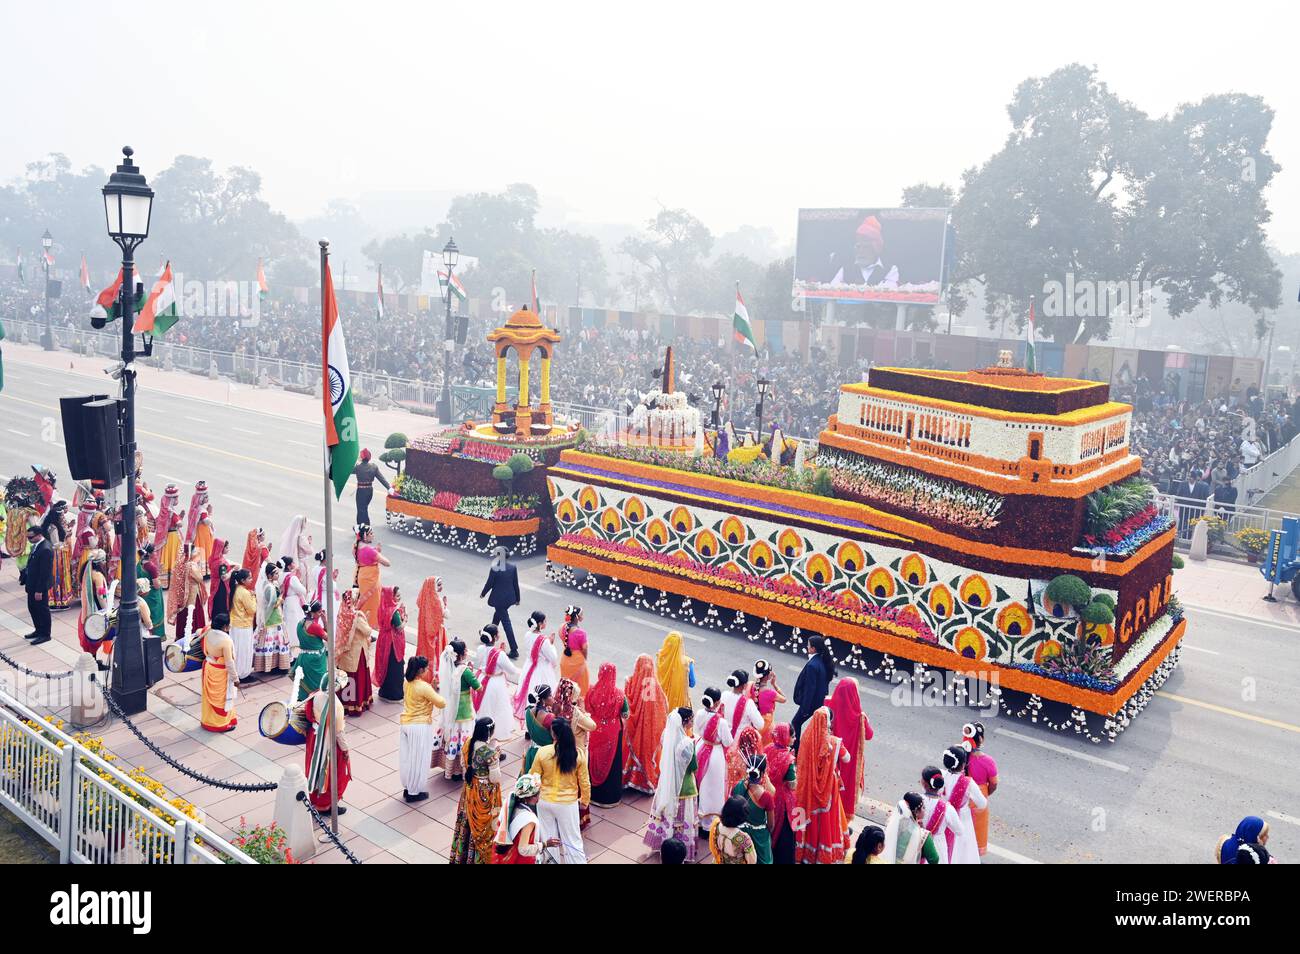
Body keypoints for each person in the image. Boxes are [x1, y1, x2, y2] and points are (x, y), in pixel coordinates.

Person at [794, 707, 850, 864]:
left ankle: (806, 852)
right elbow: (847, 758)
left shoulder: (806, 739)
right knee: (826, 821)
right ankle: (822, 852)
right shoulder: (834, 742)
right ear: (829, 722)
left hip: (808, 787)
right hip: (828, 789)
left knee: (811, 819)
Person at [531, 716, 590, 863]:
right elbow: (585, 782)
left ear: (553, 734)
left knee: (548, 840)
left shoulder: (543, 752)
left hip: (544, 801)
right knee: (572, 842)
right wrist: (585, 801)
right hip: (567, 804)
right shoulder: (577, 755)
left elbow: (533, 777)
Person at [644, 708, 699, 861]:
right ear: (686, 721)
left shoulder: (666, 735)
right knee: (682, 817)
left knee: (666, 817)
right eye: (691, 719)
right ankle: (680, 849)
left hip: (666, 783)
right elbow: (693, 767)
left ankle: (663, 843)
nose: (693, 722)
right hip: (684, 787)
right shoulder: (687, 744)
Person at [450, 717, 503, 864]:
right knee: (484, 829)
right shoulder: (490, 754)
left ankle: (462, 857)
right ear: (489, 732)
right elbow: (495, 778)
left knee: (466, 821)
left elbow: (463, 764)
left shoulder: (468, 743)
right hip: (484, 795)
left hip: (469, 789)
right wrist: (496, 755)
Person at [432, 640, 482, 781]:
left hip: (449, 711)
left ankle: (449, 769)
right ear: (460, 655)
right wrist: (472, 674)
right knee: (463, 741)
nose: (467, 652)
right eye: (465, 650)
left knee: (452, 738)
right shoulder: (465, 671)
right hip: (464, 711)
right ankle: (460, 770)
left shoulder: (448, 668)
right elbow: (478, 687)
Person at [552, 678, 597, 828]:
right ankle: (578, 818)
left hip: (557, 750)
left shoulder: (555, 707)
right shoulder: (575, 713)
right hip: (575, 751)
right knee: (579, 782)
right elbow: (592, 726)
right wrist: (585, 711)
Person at [304, 673, 351, 816]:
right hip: (329, 742)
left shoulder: (315, 695)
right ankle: (326, 804)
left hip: (315, 737)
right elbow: (338, 732)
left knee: (314, 768)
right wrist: (345, 749)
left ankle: (315, 799)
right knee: (331, 774)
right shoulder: (335, 705)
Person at [399, 655, 444, 802]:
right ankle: (414, 792)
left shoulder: (407, 682)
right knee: (419, 760)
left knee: (407, 759)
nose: (427, 670)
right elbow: (441, 703)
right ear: (420, 670)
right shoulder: (424, 687)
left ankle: (408, 788)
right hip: (419, 726)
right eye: (425, 668)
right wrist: (435, 689)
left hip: (406, 723)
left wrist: (431, 688)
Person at [622, 653, 668, 795]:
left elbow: (626, 703)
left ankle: (630, 779)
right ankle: (645, 782)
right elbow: (664, 708)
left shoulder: (631, 682)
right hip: (649, 732)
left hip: (632, 728)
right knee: (647, 752)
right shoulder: (656, 688)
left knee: (630, 751)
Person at [826, 677, 872, 815]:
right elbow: (869, 735)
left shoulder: (827, 704)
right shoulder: (860, 717)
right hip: (850, 762)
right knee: (847, 787)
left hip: (830, 756)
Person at [586, 663, 628, 808]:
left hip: (595, 729)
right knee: (611, 763)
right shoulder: (619, 694)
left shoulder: (591, 690)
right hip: (612, 732)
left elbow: (587, 708)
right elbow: (625, 714)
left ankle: (593, 794)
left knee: (594, 759)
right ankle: (609, 798)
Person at [694, 688, 735, 832]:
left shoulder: (699, 713)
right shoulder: (721, 722)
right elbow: (728, 742)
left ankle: (696, 818)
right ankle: (709, 824)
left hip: (700, 747)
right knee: (712, 789)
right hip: (714, 756)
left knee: (699, 785)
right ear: (717, 702)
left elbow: (698, 730)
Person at [472, 624, 521, 739]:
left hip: (482, 679)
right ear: (494, 637)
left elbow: (481, 661)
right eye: (498, 633)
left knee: (483, 706)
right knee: (497, 708)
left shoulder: (480, 649)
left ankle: (479, 730)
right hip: (495, 683)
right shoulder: (500, 654)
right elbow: (512, 670)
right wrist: (501, 654)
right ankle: (494, 734)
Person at [730, 740, 774, 864]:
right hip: (759, 838)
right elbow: (771, 825)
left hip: (739, 834)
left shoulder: (737, 787)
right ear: (763, 773)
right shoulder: (766, 796)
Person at [940, 745, 986, 864]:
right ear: (963, 764)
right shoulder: (967, 783)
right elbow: (982, 804)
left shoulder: (939, 775)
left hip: (941, 816)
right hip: (962, 819)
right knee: (961, 852)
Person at [494, 773, 552, 864]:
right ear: (526, 797)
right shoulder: (528, 820)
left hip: (508, 855)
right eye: (535, 795)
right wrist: (545, 844)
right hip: (519, 860)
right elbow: (523, 849)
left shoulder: (509, 804)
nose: (538, 797)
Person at [961, 721, 998, 857]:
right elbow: (994, 784)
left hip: (961, 795)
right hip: (980, 797)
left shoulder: (960, 753)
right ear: (981, 739)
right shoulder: (988, 761)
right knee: (977, 830)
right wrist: (985, 792)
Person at [763, 723, 799, 864]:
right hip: (782, 799)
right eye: (793, 736)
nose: (795, 739)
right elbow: (792, 784)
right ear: (785, 737)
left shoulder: (767, 748)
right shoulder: (788, 759)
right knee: (784, 831)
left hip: (766, 791)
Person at [336, 589, 375, 716]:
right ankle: (357, 705)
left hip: (345, 654)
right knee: (357, 679)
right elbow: (368, 631)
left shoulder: (342, 613)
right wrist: (366, 619)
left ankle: (346, 704)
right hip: (357, 654)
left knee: (347, 679)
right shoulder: (356, 616)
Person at [514, 613, 558, 722]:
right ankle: (541, 722)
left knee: (531, 696)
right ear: (540, 623)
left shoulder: (527, 634)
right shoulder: (544, 640)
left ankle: (530, 725)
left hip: (528, 668)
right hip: (542, 669)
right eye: (545, 621)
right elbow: (553, 657)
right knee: (544, 696)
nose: (546, 623)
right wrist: (551, 644)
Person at [791, 636, 836, 744]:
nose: (807, 647)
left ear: (813, 649)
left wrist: (805, 709)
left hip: (811, 703)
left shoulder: (812, 665)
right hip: (819, 701)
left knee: (795, 723)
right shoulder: (822, 660)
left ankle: (795, 748)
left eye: (808, 645)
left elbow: (810, 689)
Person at [199, 613, 238, 732]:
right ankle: (220, 724)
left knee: (209, 697)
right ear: (225, 627)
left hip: (209, 667)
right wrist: (236, 678)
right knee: (221, 699)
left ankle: (208, 721)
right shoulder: (225, 641)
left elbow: (198, 632)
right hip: (220, 672)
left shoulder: (207, 631)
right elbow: (229, 663)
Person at [479, 546, 521, 656]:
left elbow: (489, 583)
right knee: (497, 617)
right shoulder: (513, 567)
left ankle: (514, 649)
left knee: (506, 623)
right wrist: (518, 598)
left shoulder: (495, 568)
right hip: (509, 598)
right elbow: (515, 584)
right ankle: (488, 633)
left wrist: (483, 593)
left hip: (499, 600)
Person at [882, 793, 943, 865]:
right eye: (923, 807)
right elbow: (934, 859)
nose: (925, 810)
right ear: (916, 812)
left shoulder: (893, 824)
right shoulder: (923, 835)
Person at [919, 766, 962, 863]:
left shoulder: (915, 801)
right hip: (937, 846)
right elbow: (959, 831)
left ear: (924, 784)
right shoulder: (947, 809)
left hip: (916, 843)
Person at [20, 520, 54, 646]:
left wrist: (39, 590)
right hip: (32, 584)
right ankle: (38, 630)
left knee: (42, 609)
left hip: (39, 587)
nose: (29, 539)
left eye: (31, 537)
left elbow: (44, 573)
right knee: (32, 608)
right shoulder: (36, 545)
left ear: (39, 535)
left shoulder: (45, 549)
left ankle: (45, 634)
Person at [253, 561, 288, 676]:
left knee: (274, 642)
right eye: (276, 573)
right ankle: (274, 665)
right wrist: (280, 600)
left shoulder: (271, 584)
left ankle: (274, 665)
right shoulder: (269, 587)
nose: (278, 575)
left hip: (275, 616)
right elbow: (272, 603)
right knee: (274, 641)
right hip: (272, 618)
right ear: (269, 575)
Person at [374, 586, 408, 703]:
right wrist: (405, 618)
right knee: (395, 668)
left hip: (383, 640)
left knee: (385, 665)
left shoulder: (382, 607)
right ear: (391, 597)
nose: (399, 598)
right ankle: (394, 695)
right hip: (393, 644)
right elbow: (399, 628)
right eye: (397, 596)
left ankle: (384, 692)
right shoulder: (394, 612)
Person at [75, 548, 109, 664]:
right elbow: (101, 595)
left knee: (90, 635)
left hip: (87, 608)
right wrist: (106, 609)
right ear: (99, 562)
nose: (105, 563)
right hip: (96, 608)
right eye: (104, 560)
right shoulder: (98, 575)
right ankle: (93, 662)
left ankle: (92, 659)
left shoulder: (87, 572)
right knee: (96, 635)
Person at [171, 545, 209, 649]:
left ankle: (180, 636)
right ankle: (194, 639)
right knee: (193, 616)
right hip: (192, 595)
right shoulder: (191, 565)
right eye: (195, 551)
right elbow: (200, 578)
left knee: (182, 615)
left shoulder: (179, 562)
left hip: (182, 594)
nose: (197, 553)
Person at [290, 601, 328, 702]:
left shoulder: (300, 623)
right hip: (315, 661)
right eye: (319, 612)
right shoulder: (315, 627)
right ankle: (315, 706)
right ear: (313, 613)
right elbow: (329, 638)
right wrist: (325, 621)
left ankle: (305, 705)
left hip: (304, 658)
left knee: (305, 687)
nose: (321, 614)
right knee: (317, 685)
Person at [352, 525, 388, 629]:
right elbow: (387, 563)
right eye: (371, 533)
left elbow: (365, 556)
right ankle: (368, 628)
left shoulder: (355, 546)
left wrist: (376, 551)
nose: (373, 535)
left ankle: (361, 626)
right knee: (372, 605)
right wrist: (377, 553)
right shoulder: (369, 551)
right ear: (365, 536)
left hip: (361, 575)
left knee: (363, 602)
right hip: (370, 580)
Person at [415, 576, 447, 683]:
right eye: (438, 585)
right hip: (436, 632)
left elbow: (418, 602)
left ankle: (422, 673)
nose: (441, 587)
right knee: (436, 654)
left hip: (424, 629)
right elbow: (445, 615)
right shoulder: (437, 601)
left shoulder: (425, 596)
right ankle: (434, 678)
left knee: (424, 651)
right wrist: (445, 606)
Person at [708, 796, 758, 864]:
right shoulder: (744, 839)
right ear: (741, 817)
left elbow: (713, 846)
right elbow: (752, 861)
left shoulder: (716, 825)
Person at [227, 568, 257, 680]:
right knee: (243, 651)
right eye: (249, 578)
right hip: (243, 626)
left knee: (236, 650)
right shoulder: (245, 593)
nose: (251, 579)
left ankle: (237, 672)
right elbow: (252, 610)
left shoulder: (236, 589)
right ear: (243, 580)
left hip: (235, 624)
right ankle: (243, 674)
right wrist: (253, 597)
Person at [750, 659, 786, 747]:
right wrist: (774, 684)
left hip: (753, 721)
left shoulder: (750, 686)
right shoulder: (771, 693)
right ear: (768, 676)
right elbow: (784, 699)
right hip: (766, 726)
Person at [351, 448, 391, 527]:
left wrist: (354, 461)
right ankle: (362, 527)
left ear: (362, 457)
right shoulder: (374, 467)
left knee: (361, 510)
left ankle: (365, 528)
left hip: (361, 491)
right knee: (363, 509)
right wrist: (389, 488)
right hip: (370, 491)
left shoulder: (358, 467)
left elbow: (349, 470)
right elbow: (381, 479)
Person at [656, 630, 694, 711]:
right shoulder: (687, 663)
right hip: (678, 706)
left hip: (661, 702)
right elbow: (692, 684)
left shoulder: (660, 657)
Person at [522, 684, 555, 773]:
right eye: (550, 695)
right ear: (544, 700)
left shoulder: (529, 711)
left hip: (532, 752)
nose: (553, 697)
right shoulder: (549, 718)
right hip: (545, 755)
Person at [558, 604, 590, 697]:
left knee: (566, 687)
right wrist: (585, 659)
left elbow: (562, 637)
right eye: (581, 615)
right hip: (578, 663)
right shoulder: (581, 633)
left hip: (565, 661)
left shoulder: (562, 627)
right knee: (580, 690)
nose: (582, 616)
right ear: (576, 617)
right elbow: (584, 649)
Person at [279, 555, 309, 656]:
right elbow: (303, 590)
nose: (294, 564)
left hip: (285, 601)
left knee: (287, 625)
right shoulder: (292, 578)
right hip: (294, 603)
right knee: (295, 625)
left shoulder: (280, 575)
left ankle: (288, 651)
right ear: (288, 565)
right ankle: (296, 652)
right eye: (292, 563)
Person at [137, 545, 167, 638]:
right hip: (153, 595)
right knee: (156, 616)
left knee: (145, 616)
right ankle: (156, 639)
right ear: (149, 554)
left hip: (143, 595)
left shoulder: (139, 564)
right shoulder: (151, 567)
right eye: (154, 551)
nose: (156, 553)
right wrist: (159, 577)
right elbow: (157, 585)